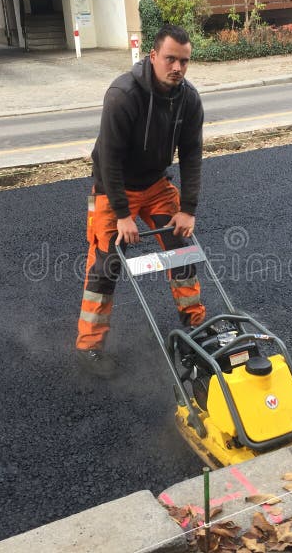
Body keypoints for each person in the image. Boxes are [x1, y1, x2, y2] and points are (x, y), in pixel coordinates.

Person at [75, 24, 207, 376]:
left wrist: (188, 209)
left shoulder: (189, 99)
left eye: (184, 61)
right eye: (170, 59)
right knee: (106, 264)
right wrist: (122, 215)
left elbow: (192, 155)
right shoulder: (123, 94)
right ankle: (89, 346)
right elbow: (108, 159)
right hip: (113, 186)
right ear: (153, 56)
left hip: (155, 183)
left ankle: (196, 325)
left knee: (181, 249)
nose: (177, 67)